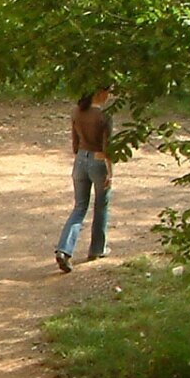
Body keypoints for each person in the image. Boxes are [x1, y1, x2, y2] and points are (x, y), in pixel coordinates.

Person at [54, 86, 116, 273]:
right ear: (100, 93)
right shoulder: (105, 116)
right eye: (108, 92)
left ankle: (64, 249)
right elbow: (108, 148)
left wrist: (82, 154)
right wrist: (110, 172)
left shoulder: (77, 112)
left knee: (79, 207)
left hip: (80, 160)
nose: (109, 96)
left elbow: (74, 143)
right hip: (98, 161)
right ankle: (97, 249)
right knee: (101, 204)